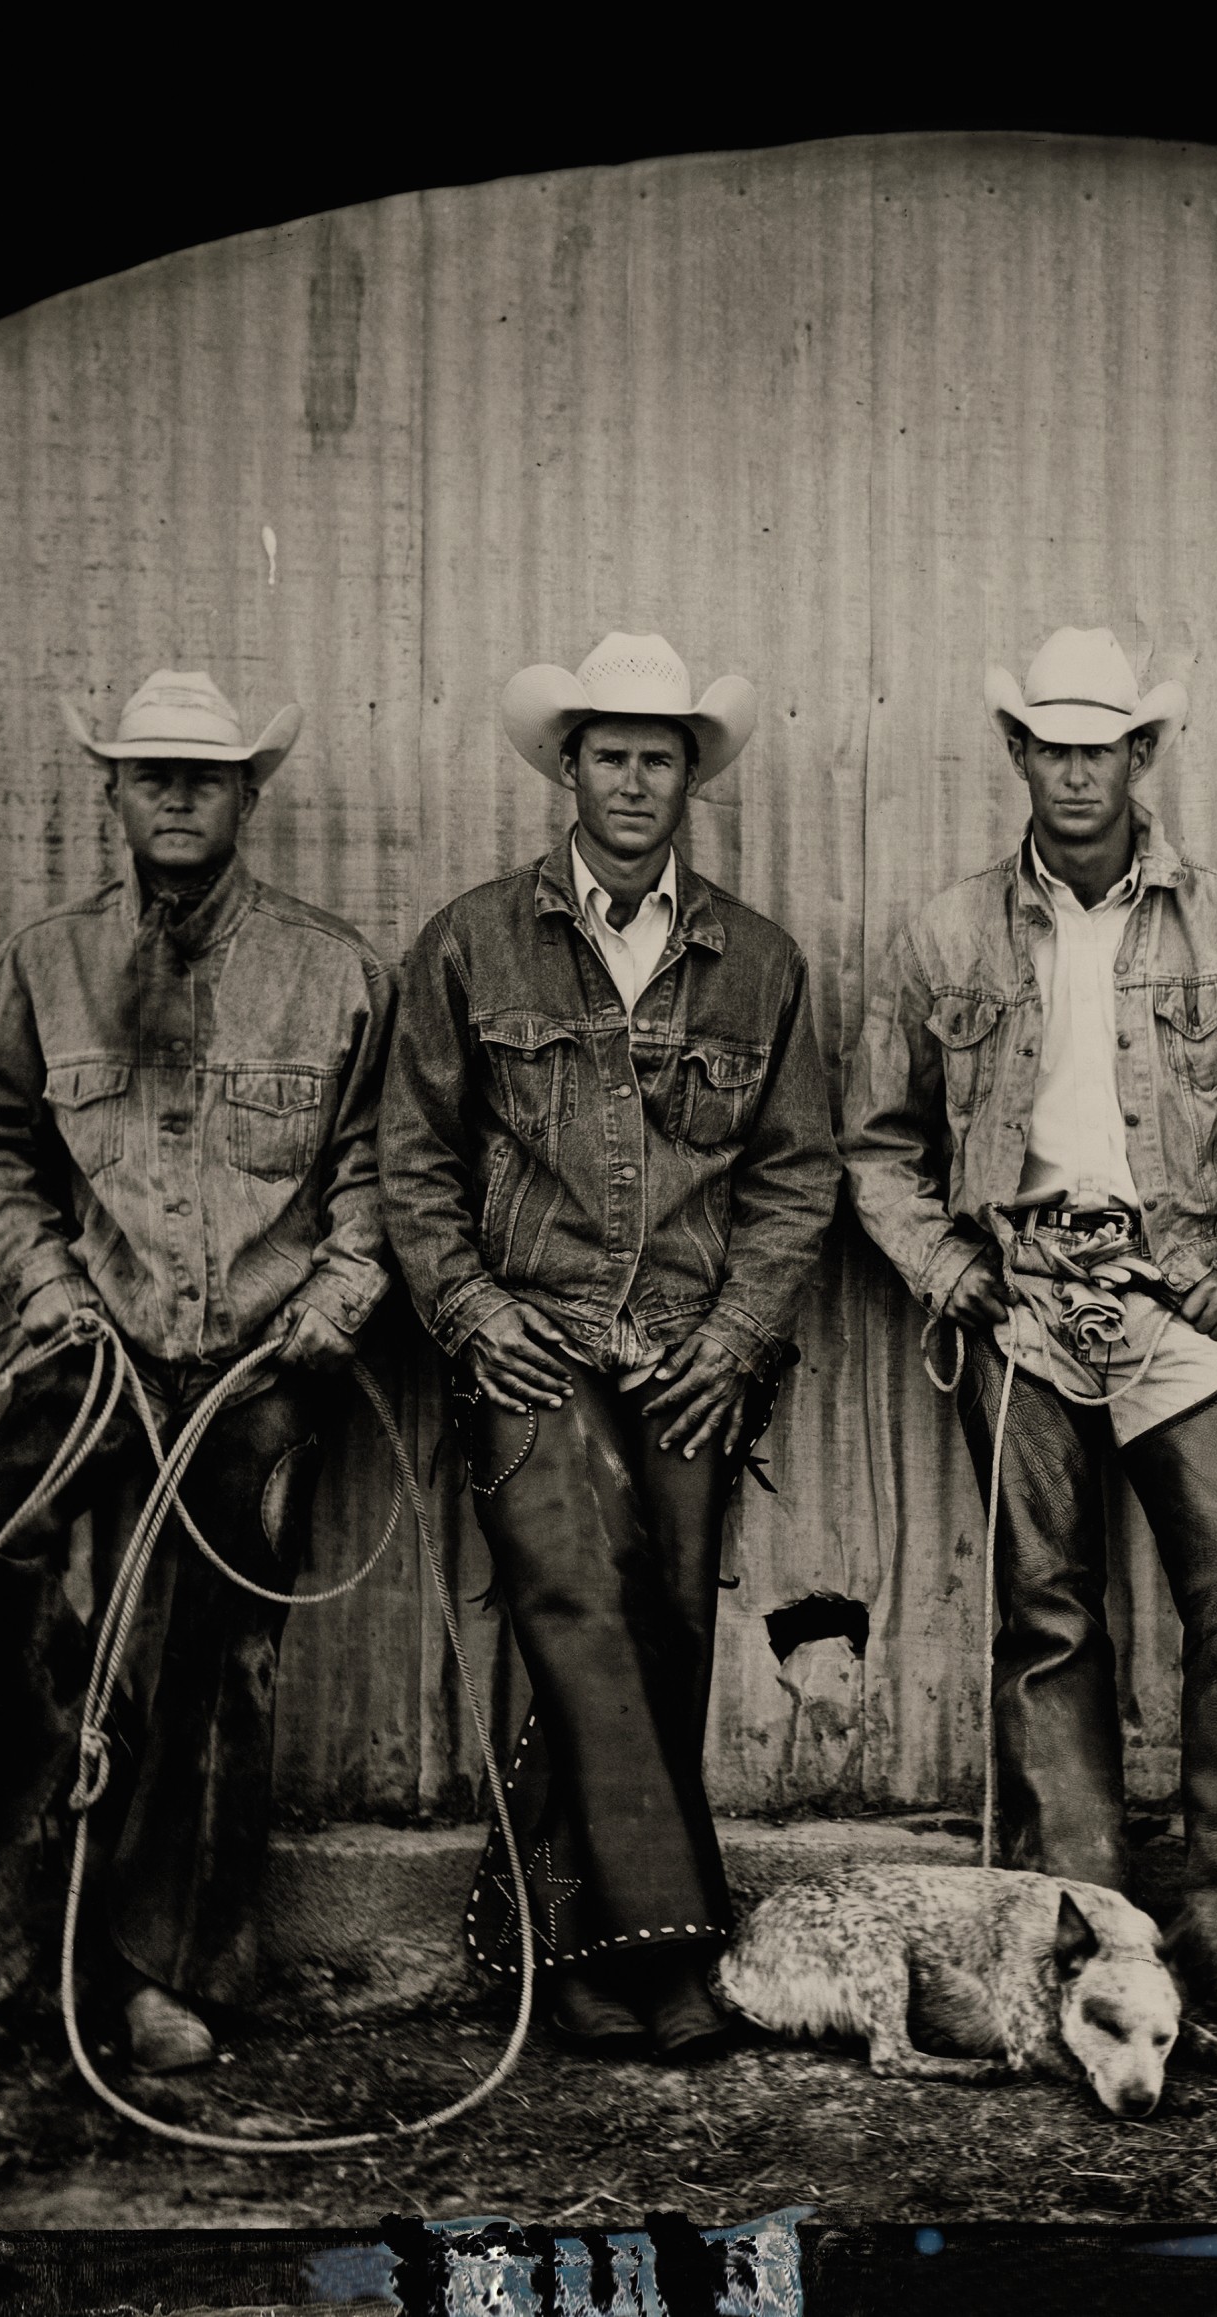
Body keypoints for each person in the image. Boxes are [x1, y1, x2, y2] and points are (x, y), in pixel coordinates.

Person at [0, 669, 395, 2074]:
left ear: (250, 794)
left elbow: (379, 1172)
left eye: (205, 774)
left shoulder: (337, 970)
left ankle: (158, 1967)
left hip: (258, 1357)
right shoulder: (45, 962)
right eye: (149, 772)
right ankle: (44, 1870)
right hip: (95, 1341)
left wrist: (345, 1286)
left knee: (195, 1594)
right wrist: (51, 1289)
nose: (177, 794)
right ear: (111, 791)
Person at [843, 625, 1217, 2025]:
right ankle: (1088, 1927)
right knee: (1048, 1617)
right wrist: (947, 1269)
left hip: (1176, 1298)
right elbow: (877, 1144)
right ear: (1020, 753)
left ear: (1143, 754)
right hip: (1023, 1307)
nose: (1075, 771)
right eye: (1051, 744)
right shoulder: (946, 933)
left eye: (1100, 746)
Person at [382, 631, 839, 2057]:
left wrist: (739, 1332)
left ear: (691, 776)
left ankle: (564, 1933)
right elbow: (412, 1159)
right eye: (611, 754)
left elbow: (799, 1171)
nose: (635, 780)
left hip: (690, 1351)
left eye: (661, 757)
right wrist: (473, 1309)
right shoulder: (471, 940)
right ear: (566, 767)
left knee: (670, 1632)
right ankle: (665, 1945)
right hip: (530, 1341)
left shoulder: (759, 963)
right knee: (577, 1606)